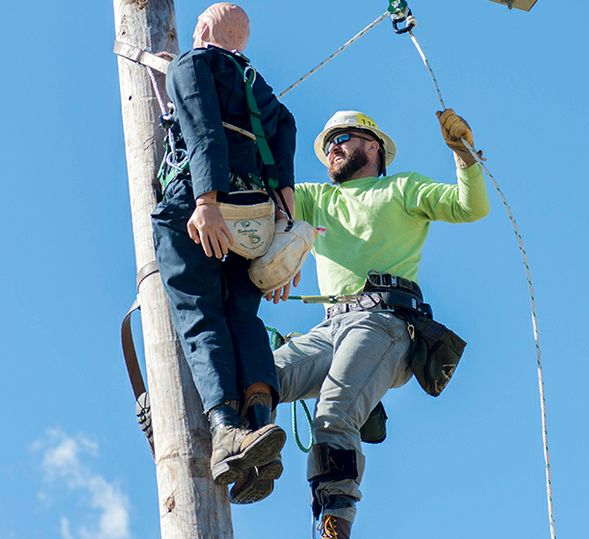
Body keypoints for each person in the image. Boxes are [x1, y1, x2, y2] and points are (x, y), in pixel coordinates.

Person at [254, 109, 489, 537]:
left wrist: (464, 156)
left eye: (342, 138)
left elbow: (469, 207)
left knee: (334, 411)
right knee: (260, 377)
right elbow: (268, 197)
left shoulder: (402, 188)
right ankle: (249, 453)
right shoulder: (314, 198)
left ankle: (335, 520)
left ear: (372, 146)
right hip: (329, 328)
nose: (332, 149)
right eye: (327, 144)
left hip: (384, 321)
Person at [151, 2, 298, 503]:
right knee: (243, 318)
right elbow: (287, 127)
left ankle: (226, 432)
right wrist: (284, 222)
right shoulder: (258, 85)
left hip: (200, 211)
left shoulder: (193, 64)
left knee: (200, 315)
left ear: (206, 29)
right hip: (253, 221)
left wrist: (206, 201)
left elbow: (203, 132)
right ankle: (261, 424)